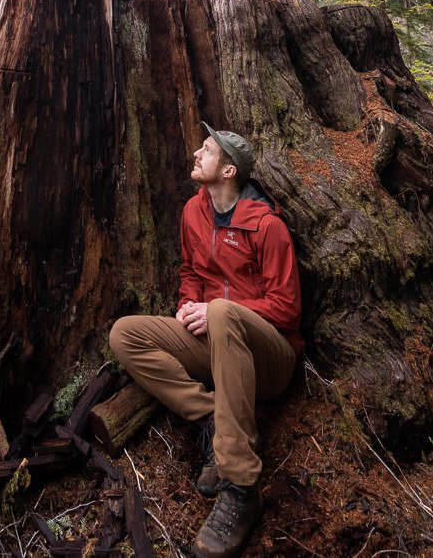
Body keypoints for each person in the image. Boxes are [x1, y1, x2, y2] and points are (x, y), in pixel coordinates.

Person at [107, 124, 302, 558]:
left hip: (269, 360)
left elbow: (287, 311)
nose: (196, 153)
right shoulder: (193, 212)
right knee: (125, 335)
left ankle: (240, 485)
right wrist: (186, 304)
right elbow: (191, 273)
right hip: (215, 342)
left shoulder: (268, 227)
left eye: (207, 150)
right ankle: (215, 418)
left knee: (221, 311)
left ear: (229, 170)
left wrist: (219, 310)